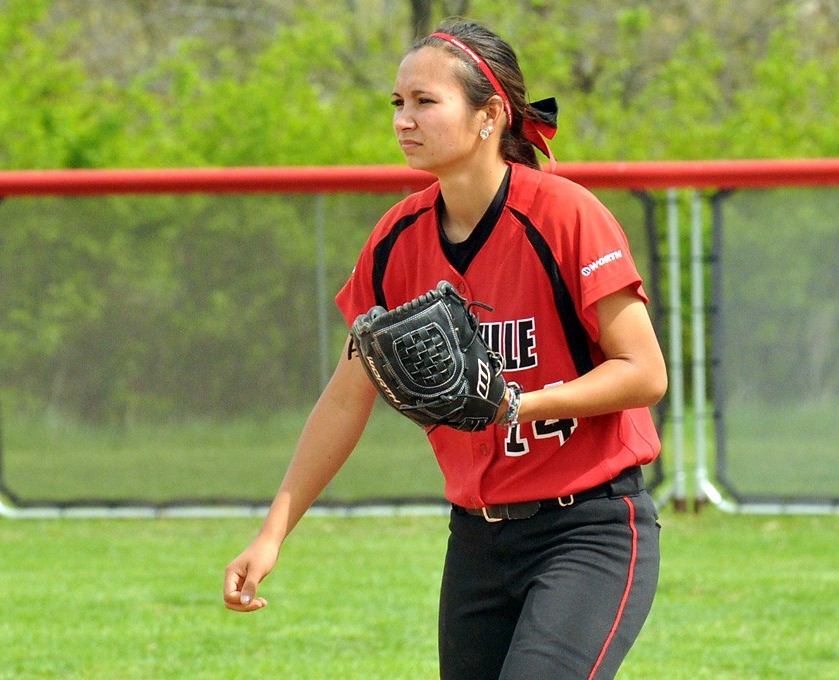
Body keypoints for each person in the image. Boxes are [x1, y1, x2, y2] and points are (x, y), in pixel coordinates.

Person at [223, 18, 667, 680]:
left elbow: (644, 373)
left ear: (490, 116)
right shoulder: (398, 238)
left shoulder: (566, 215)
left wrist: (519, 404)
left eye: (426, 102)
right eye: (398, 103)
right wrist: (272, 533)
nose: (405, 119)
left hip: (590, 528)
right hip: (478, 539)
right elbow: (347, 397)